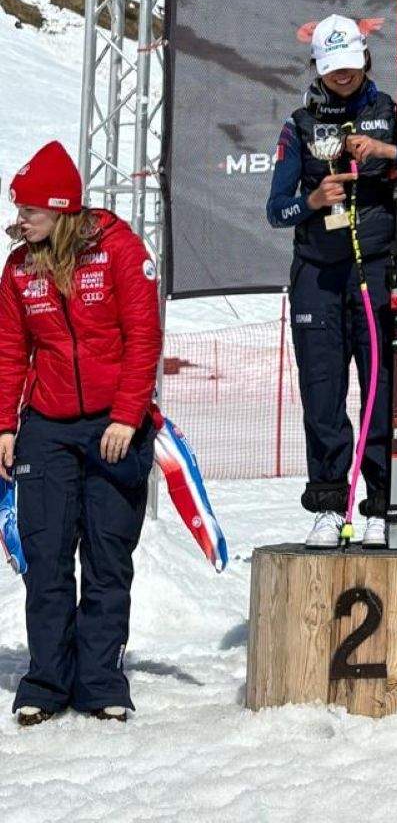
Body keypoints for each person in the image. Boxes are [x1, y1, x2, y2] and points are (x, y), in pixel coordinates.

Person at [267, 13, 397, 546]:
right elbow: (275, 211)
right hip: (318, 276)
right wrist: (311, 201)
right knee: (322, 394)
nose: (343, 76)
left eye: (351, 66)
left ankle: (380, 504)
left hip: (378, 269)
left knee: (380, 391)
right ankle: (330, 504)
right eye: (333, 69)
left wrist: (388, 151)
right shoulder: (300, 124)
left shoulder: (390, 113)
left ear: (364, 60)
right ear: (319, 68)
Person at [0, 141, 162, 727]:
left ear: (62, 210)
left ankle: (100, 682)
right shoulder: (20, 267)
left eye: (30, 213)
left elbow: (143, 339)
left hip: (113, 425)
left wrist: (125, 415)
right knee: (45, 560)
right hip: (45, 428)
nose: (18, 222)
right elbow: (11, 349)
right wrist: (3, 425)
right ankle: (45, 682)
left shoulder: (120, 251)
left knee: (106, 559)